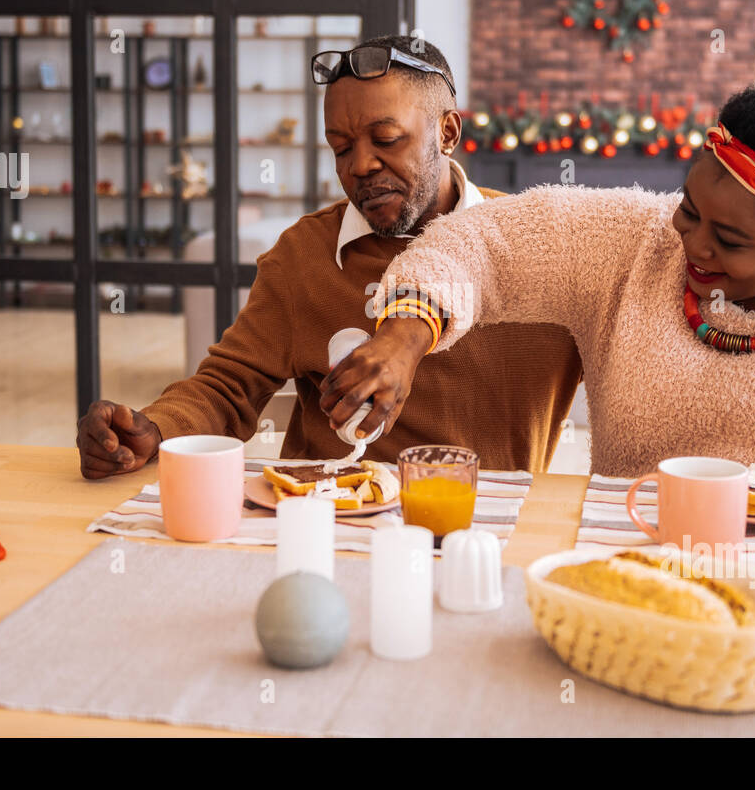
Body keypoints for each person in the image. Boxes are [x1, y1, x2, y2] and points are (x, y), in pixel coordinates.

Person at [321, 84, 755, 510]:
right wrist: (406, 329)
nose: (691, 245)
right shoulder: (631, 242)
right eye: (690, 209)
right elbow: (484, 241)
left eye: (729, 242)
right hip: (628, 564)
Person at [77, 35, 581, 479]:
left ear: (447, 133)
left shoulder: (543, 249)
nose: (360, 165)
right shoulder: (305, 255)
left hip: (483, 530)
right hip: (328, 521)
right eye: (340, 148)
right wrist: (154, 428)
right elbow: (228, 387)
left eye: (386, 139)